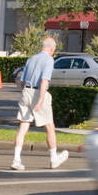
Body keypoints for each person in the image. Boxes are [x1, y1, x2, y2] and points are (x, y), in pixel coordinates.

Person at [11, 35, 69, 172]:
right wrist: (41, 99)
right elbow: (44, 81)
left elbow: (21, 81)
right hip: (38, 93)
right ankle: (53, 158)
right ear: (51, 48)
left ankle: (16, 159)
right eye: (54, 49)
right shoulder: (49, 60)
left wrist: (26, 92)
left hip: (26, 92)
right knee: (49, 126)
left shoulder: (31, 59)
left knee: (23, 127)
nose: (53, 52)